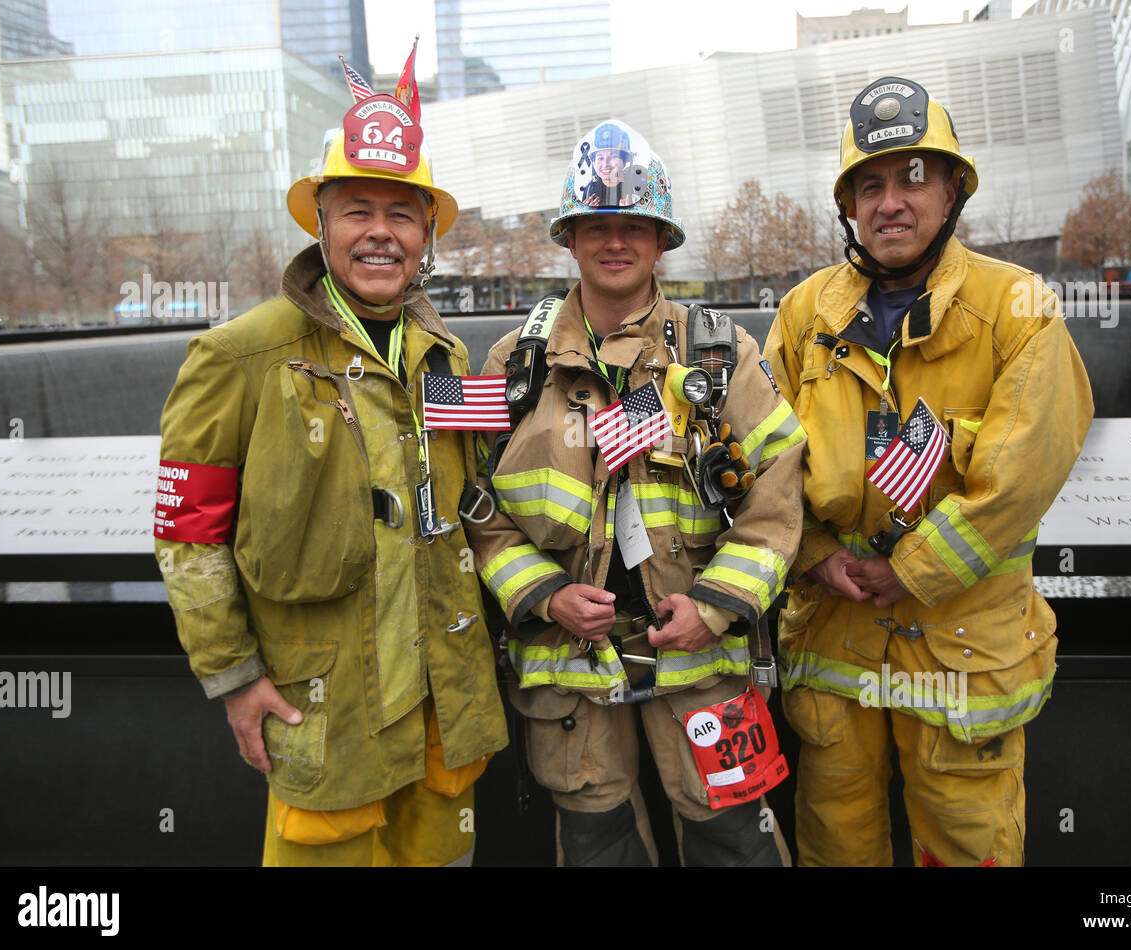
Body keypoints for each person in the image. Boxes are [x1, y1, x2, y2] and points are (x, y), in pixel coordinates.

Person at [154, 57, 507, 867]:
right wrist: (234, 678)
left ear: (426, 234)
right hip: (325, 707)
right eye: (357, 211)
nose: (380, 232)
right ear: (321, 221)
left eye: (402, 214)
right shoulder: (237, 356)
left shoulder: (445, 354)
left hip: (439, 711)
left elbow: (465, 509)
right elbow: (187, 535)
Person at [762, 76, 1093, 867]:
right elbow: (760, 463)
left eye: (914, 177)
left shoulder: (1021, 308)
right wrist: (815, 554)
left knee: (967, 841)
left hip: (963, 653)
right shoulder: (804, 316)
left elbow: (1018, 480)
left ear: (952, 192)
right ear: (848, 207)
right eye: (869, 185)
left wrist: (910, 570)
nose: (891, 202)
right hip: (835, 641)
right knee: (836, 842)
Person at [466, 119, 806, 866]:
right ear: (571, 237)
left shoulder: (720, 353)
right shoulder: (513, 363)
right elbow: (481, 515)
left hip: (707, 668)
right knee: (597, 847)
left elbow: (778, 502)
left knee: (734, 845)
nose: (614, 241)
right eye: (597, 224)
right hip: (572, 681)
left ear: (661, 241)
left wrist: (715, 606)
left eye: (635, 225)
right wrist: (548, 594)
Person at [582, 121, 637, 207]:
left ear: (625, 160)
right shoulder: (589, 190)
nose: (605, 164)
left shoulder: (636, 188)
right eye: (600, 158)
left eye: (613, 157)